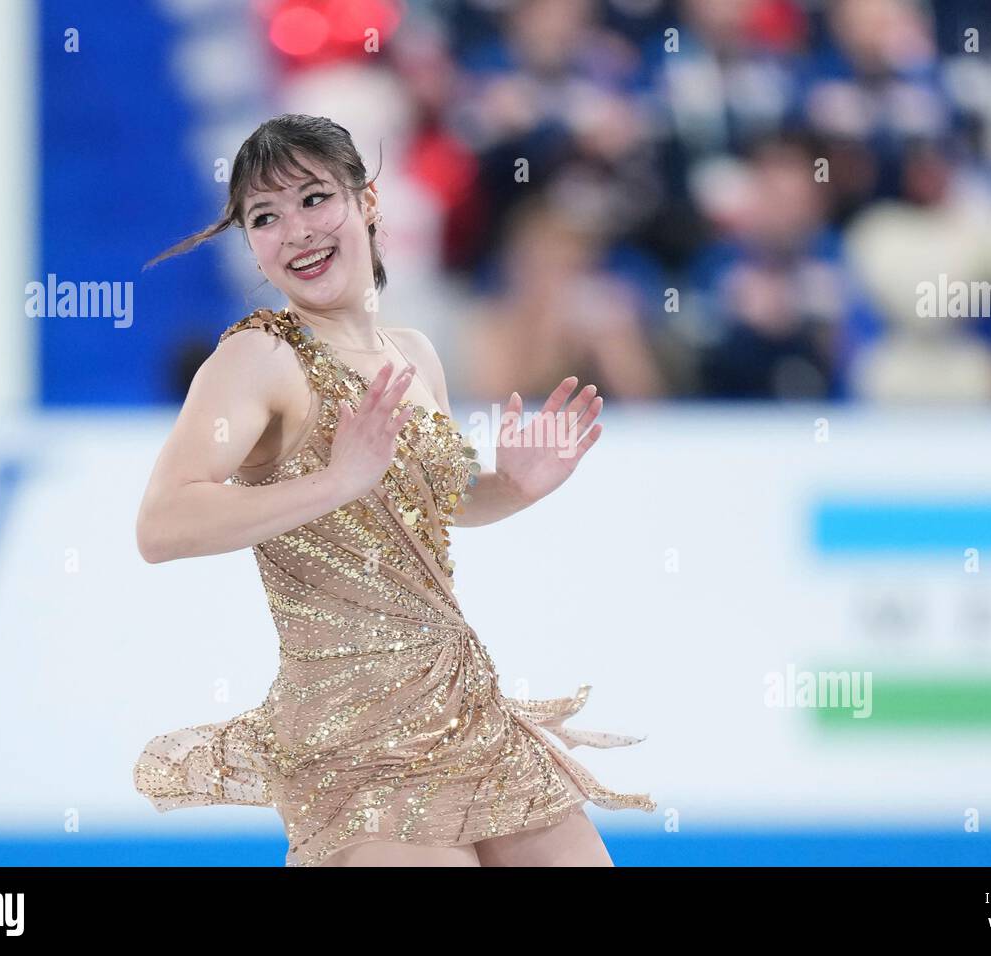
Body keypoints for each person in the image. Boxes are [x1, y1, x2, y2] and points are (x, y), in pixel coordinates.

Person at [131, 114, 655, 867]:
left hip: (462, 703)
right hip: (351, 733)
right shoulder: (257, 358)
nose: (296, 231)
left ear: (367, 201)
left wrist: (509, 487)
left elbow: (416, 508)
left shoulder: (412, 353)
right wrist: (336, 478)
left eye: (315, 199)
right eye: (265, 217)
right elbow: (164, 523)